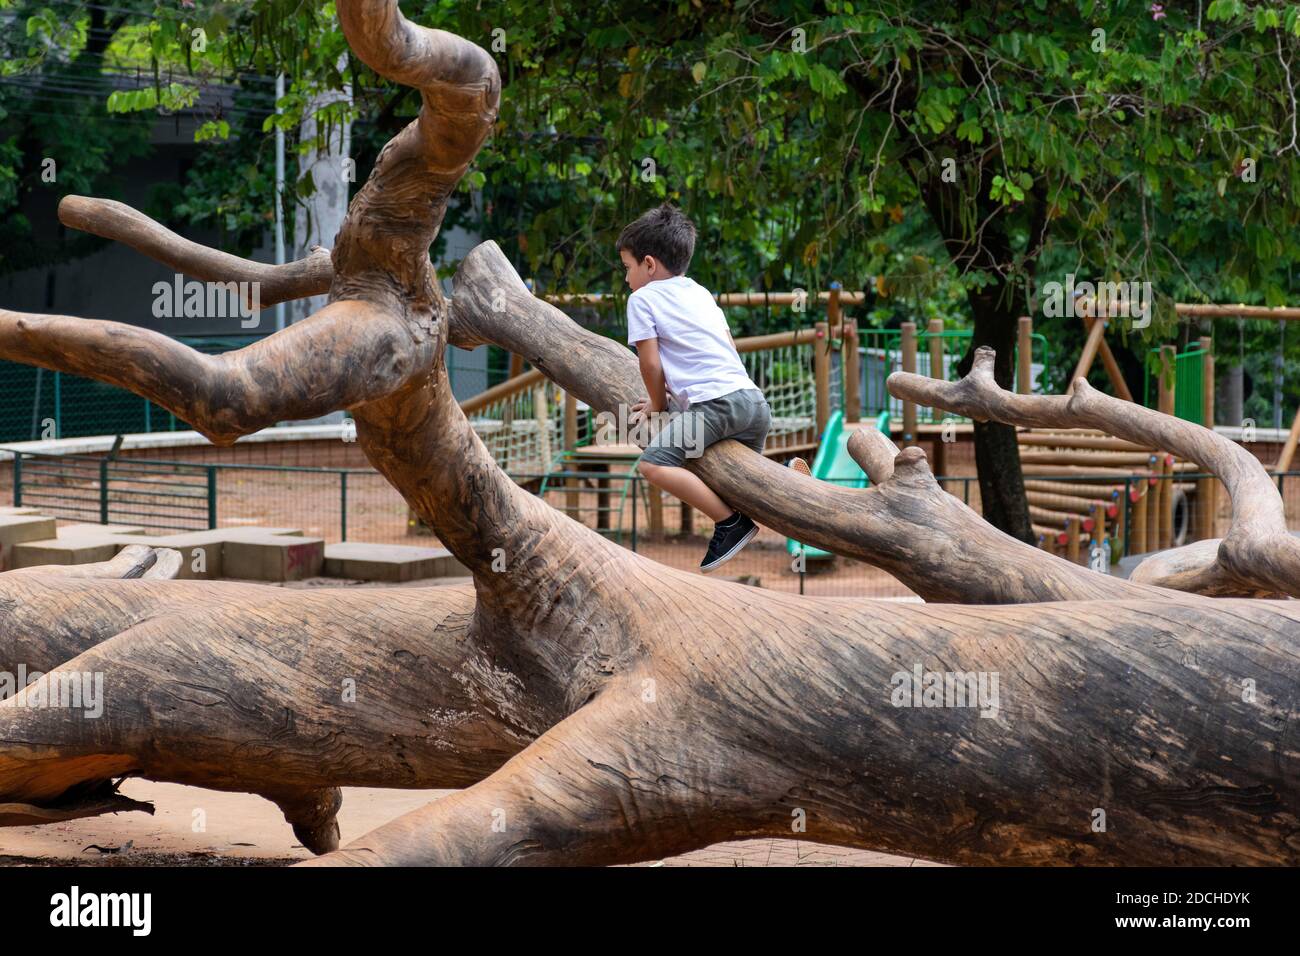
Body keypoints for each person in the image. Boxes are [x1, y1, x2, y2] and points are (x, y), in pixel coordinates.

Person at [617, 203, 771, 571]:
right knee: (743, 482)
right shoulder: (701, 293)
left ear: (649, 264)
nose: (626, 279)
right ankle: (786, 477)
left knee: (653, 466)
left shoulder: (642, 299)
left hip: (714, 407)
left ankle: (730, 524)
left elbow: (650, 362)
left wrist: (657, 404)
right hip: (753, 404)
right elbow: (729, 349)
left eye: (628, 268)